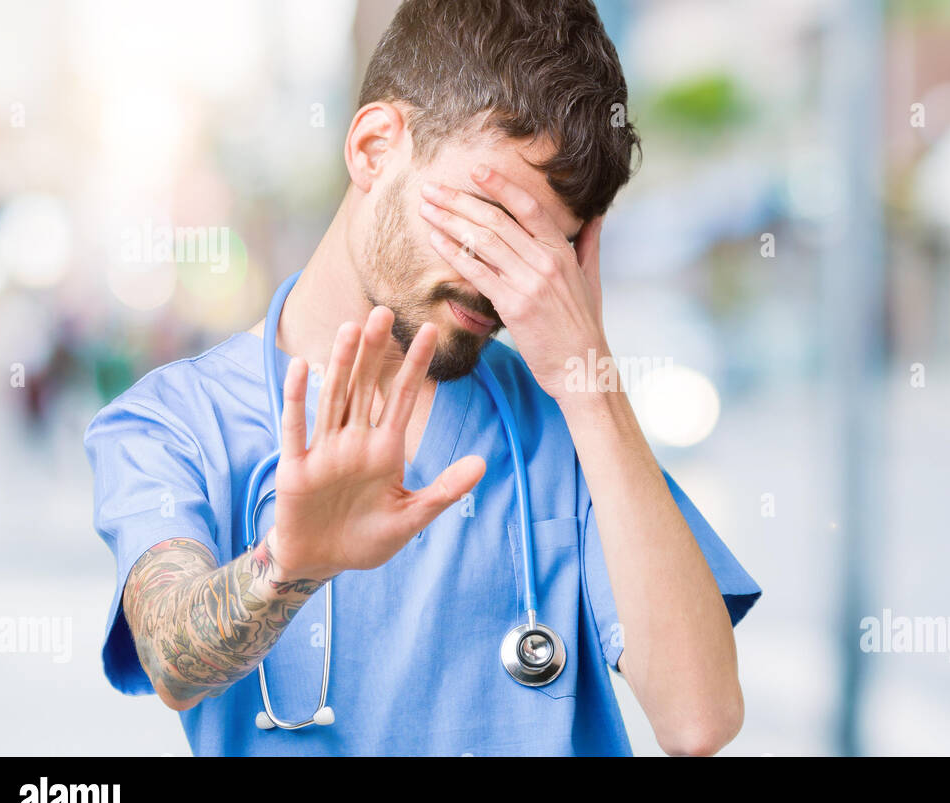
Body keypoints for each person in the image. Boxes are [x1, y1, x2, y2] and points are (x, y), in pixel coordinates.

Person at [84, 0, 760, 756]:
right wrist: (290, 566)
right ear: (375, 147)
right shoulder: (173, 421)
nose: (501, 284)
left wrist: (589, 382)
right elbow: (172, 658)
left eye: (546, 252)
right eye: (489, 219)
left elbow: (698, 720)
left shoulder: (562, 420)